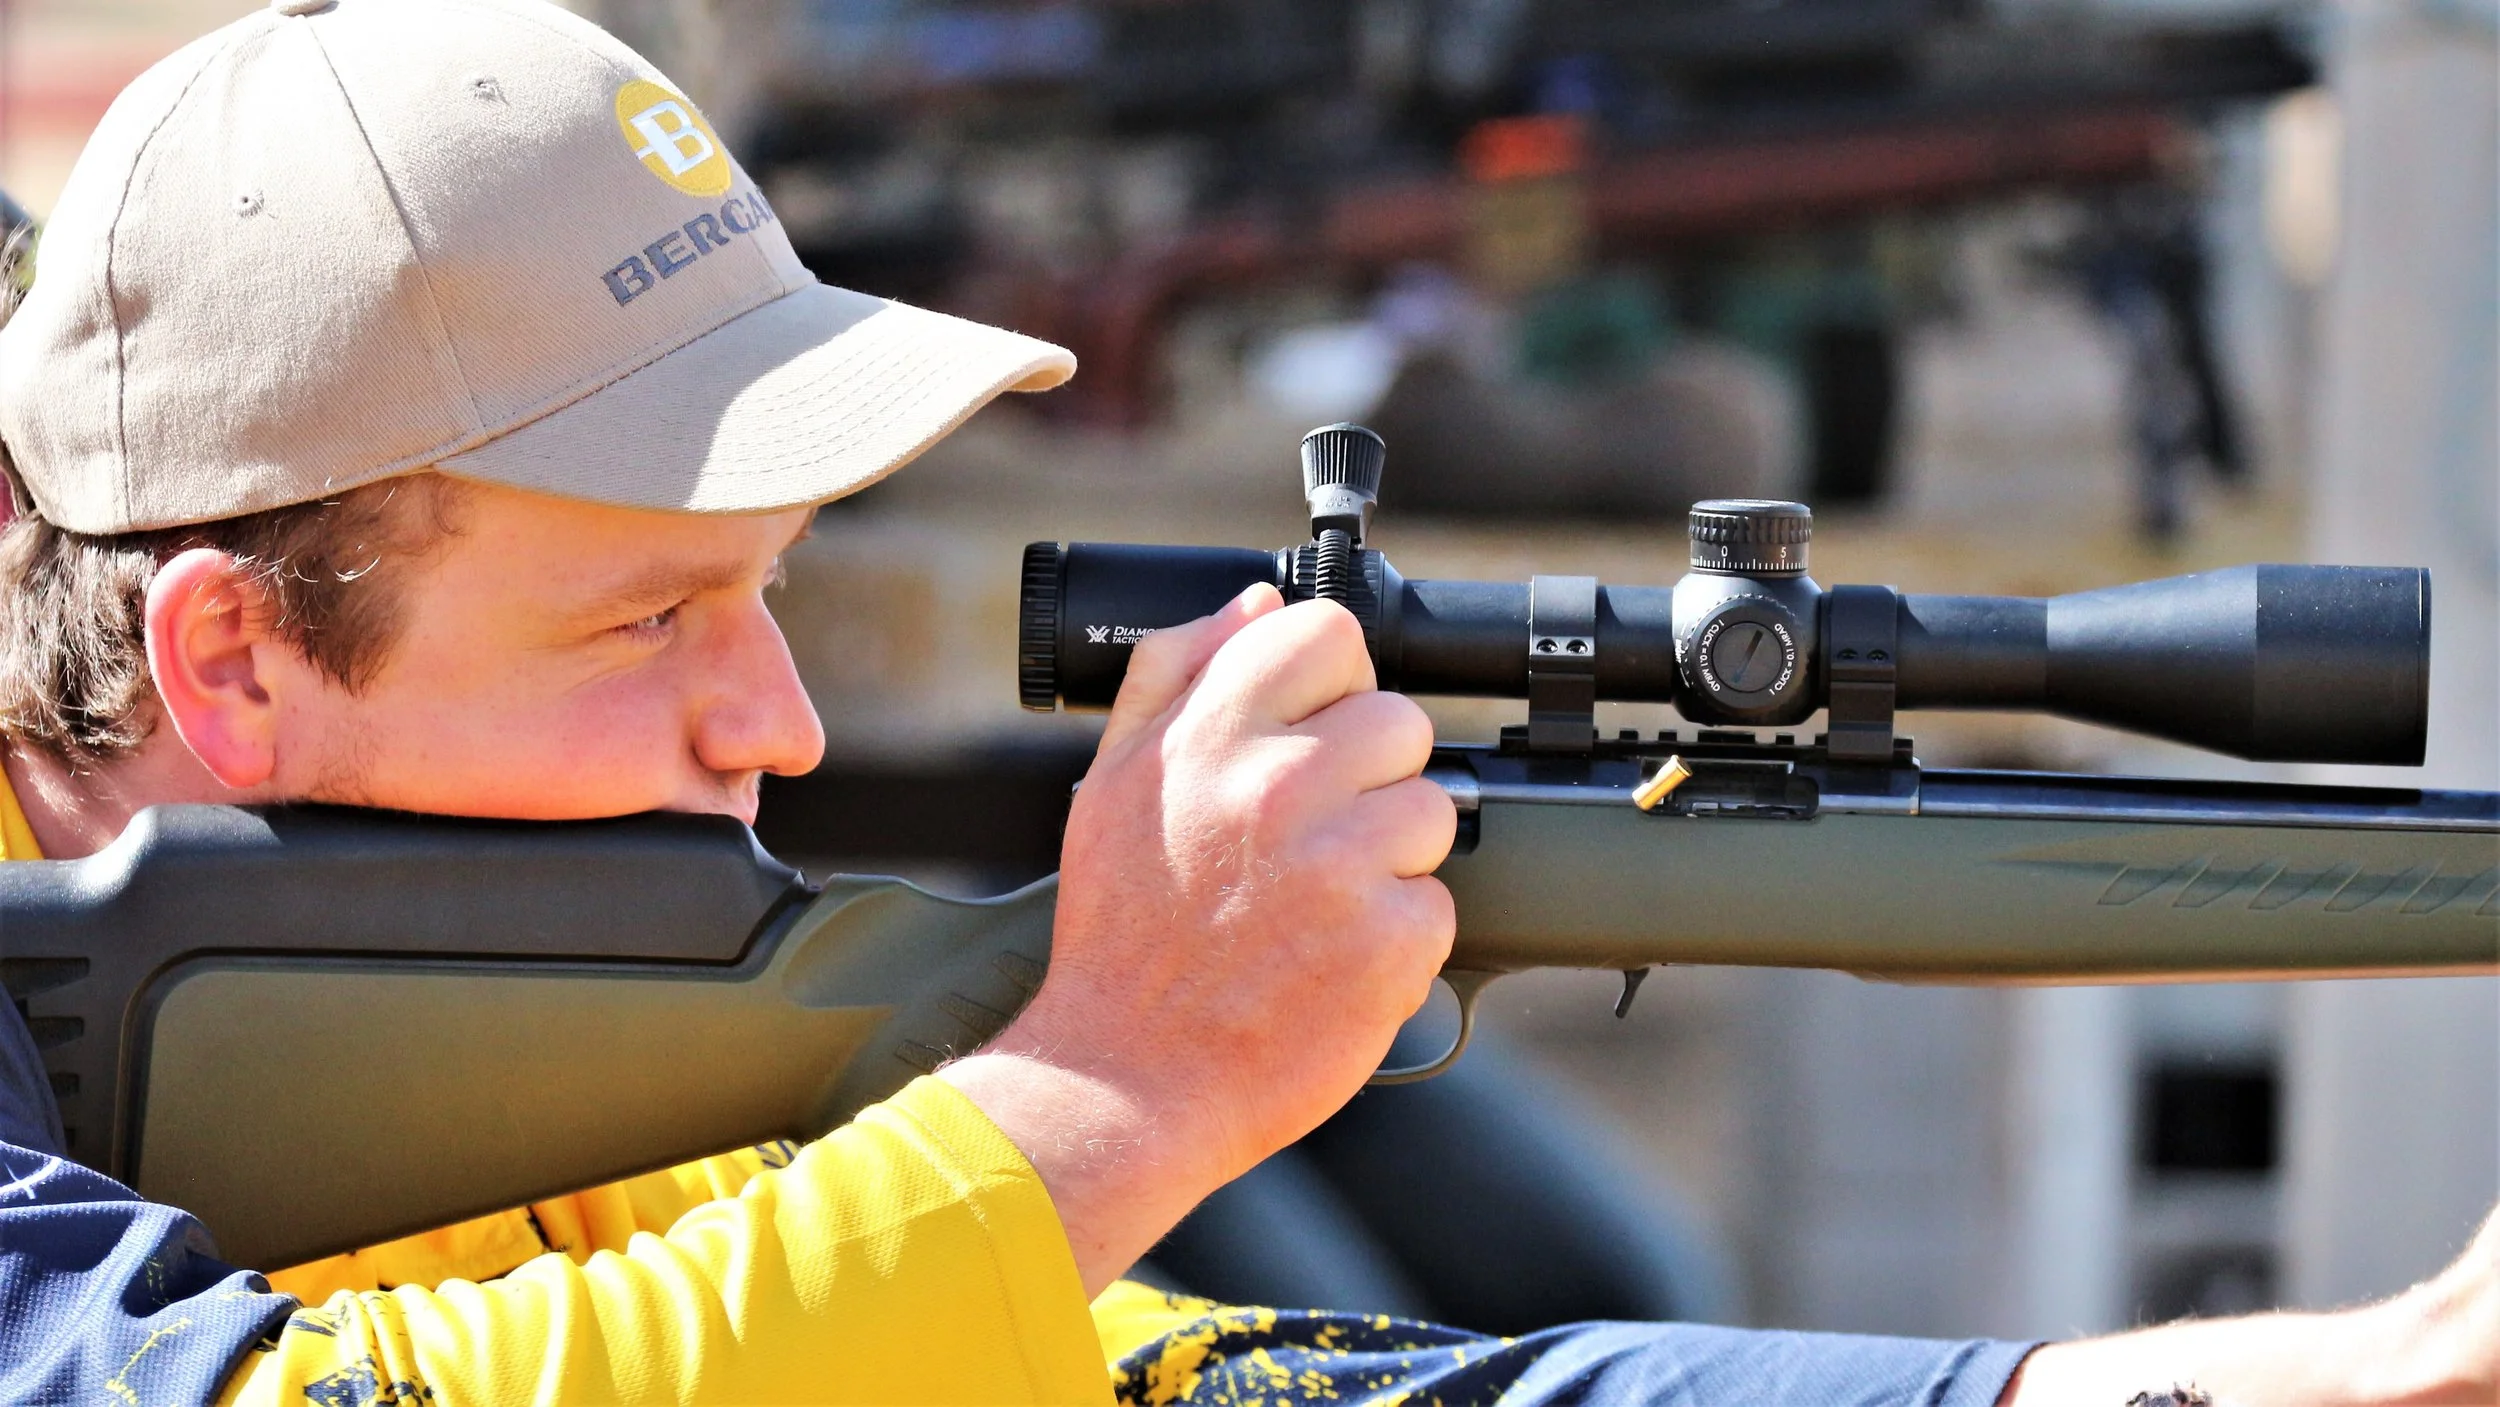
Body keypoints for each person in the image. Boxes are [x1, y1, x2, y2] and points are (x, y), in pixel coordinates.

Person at [0, 2, 2490, 1404]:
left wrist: (2288, 1381)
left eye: (759, 595)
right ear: (231, 656)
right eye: (645, 620)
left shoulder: (573, 1106)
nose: (767, 719)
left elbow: (1248, 1396)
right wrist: (1108, 1087)